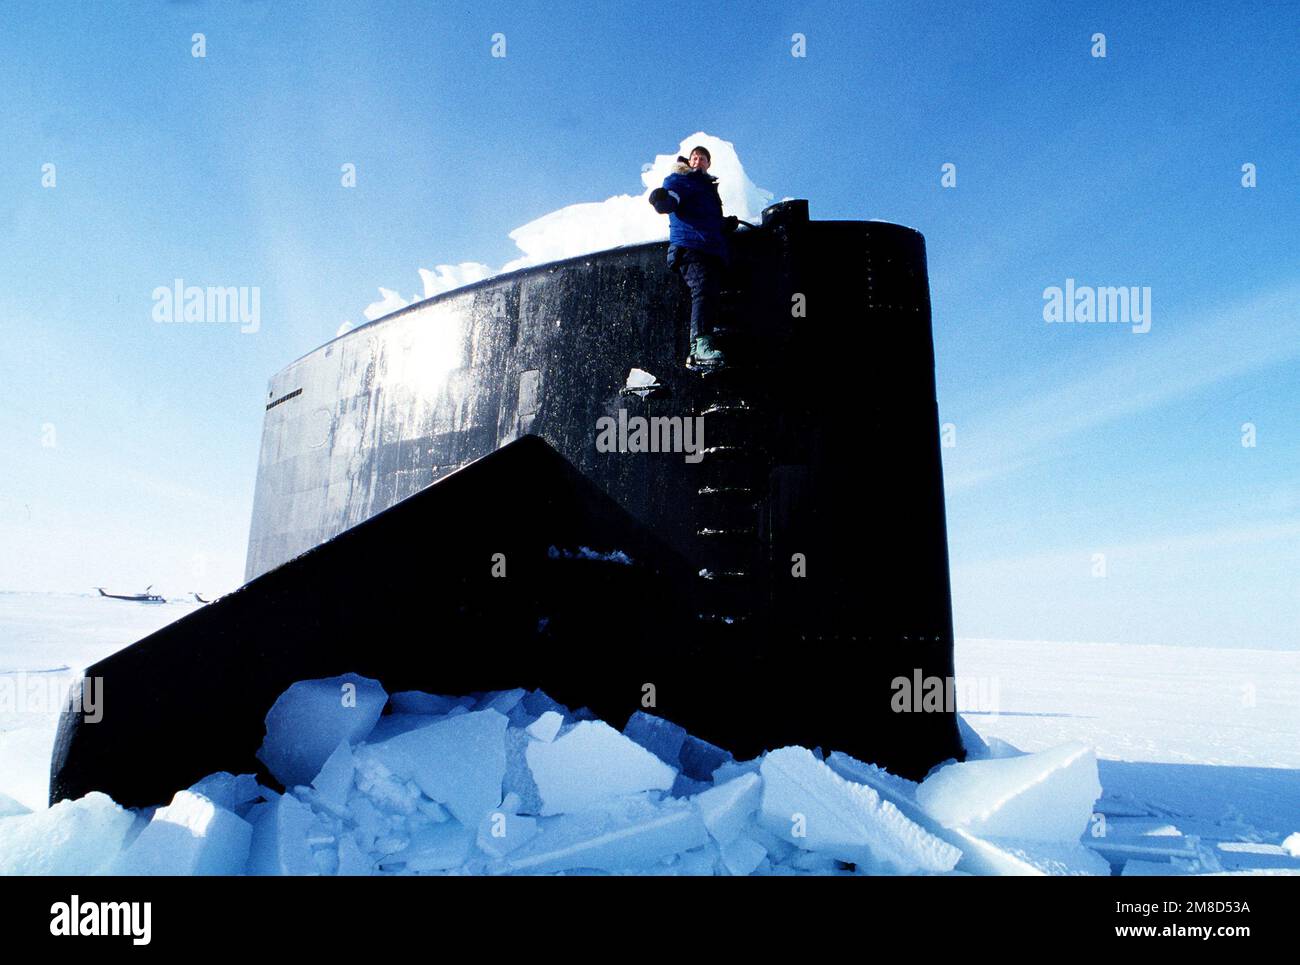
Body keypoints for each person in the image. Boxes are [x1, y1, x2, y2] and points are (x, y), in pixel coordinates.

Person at [648, 145, 739, 367]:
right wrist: (660, 201)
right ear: (689, 162)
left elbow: (704, 217)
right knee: (703, 288)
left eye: (703, 158)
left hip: (709, 248)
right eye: (694, 158)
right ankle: (699, 346)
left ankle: (701, 343)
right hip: (690, 246)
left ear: (709, 164)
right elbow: (671, 201)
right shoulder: (680, 180)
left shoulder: (707, 189)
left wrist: (723, 225)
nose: (698, 161)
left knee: (711, 292)